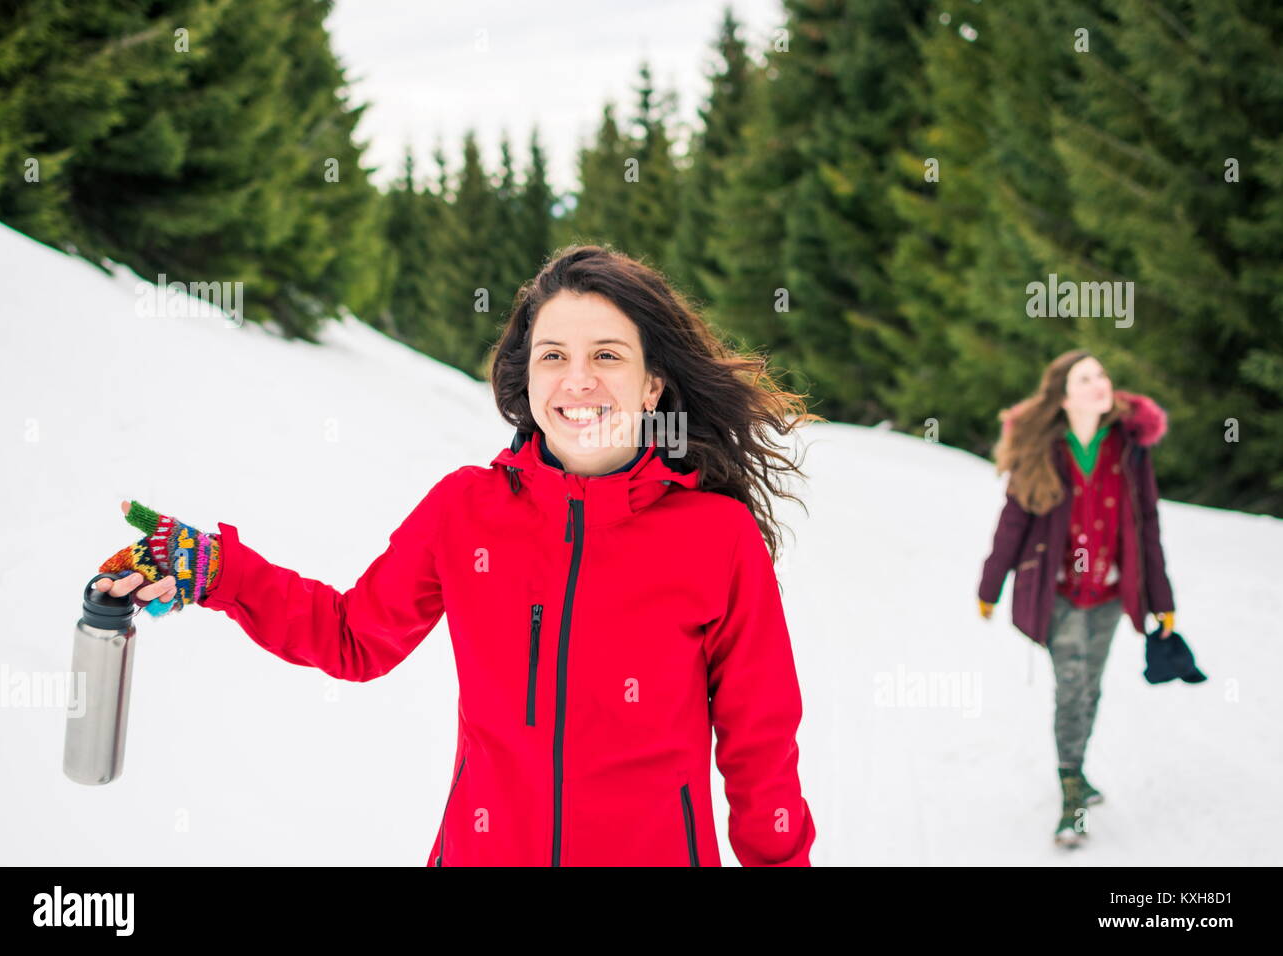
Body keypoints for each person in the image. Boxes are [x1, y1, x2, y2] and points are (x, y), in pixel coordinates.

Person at [95, 244, 821, 867]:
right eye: (554, 356)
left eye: (608, 355)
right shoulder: (467, 511)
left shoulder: (713, 537)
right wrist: (221, 571)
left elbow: (761, 747)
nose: (578, 380)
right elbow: (353, 637)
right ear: (528, 378)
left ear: (653, 382)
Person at [976, 348, 1176, 849]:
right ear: (1063, 395)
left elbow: (1147, 522)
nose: (1098, 384)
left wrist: (1161, 596)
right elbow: (1013, 521)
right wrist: (990, 585)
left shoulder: (1130, 448)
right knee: (1071, 686)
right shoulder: (1044, 448)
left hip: (1111, 593)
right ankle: (1071, 796)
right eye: (1084, 378)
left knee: (1090, 684)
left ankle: (1077, 768)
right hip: (1058, 591)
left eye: (1102, 375)